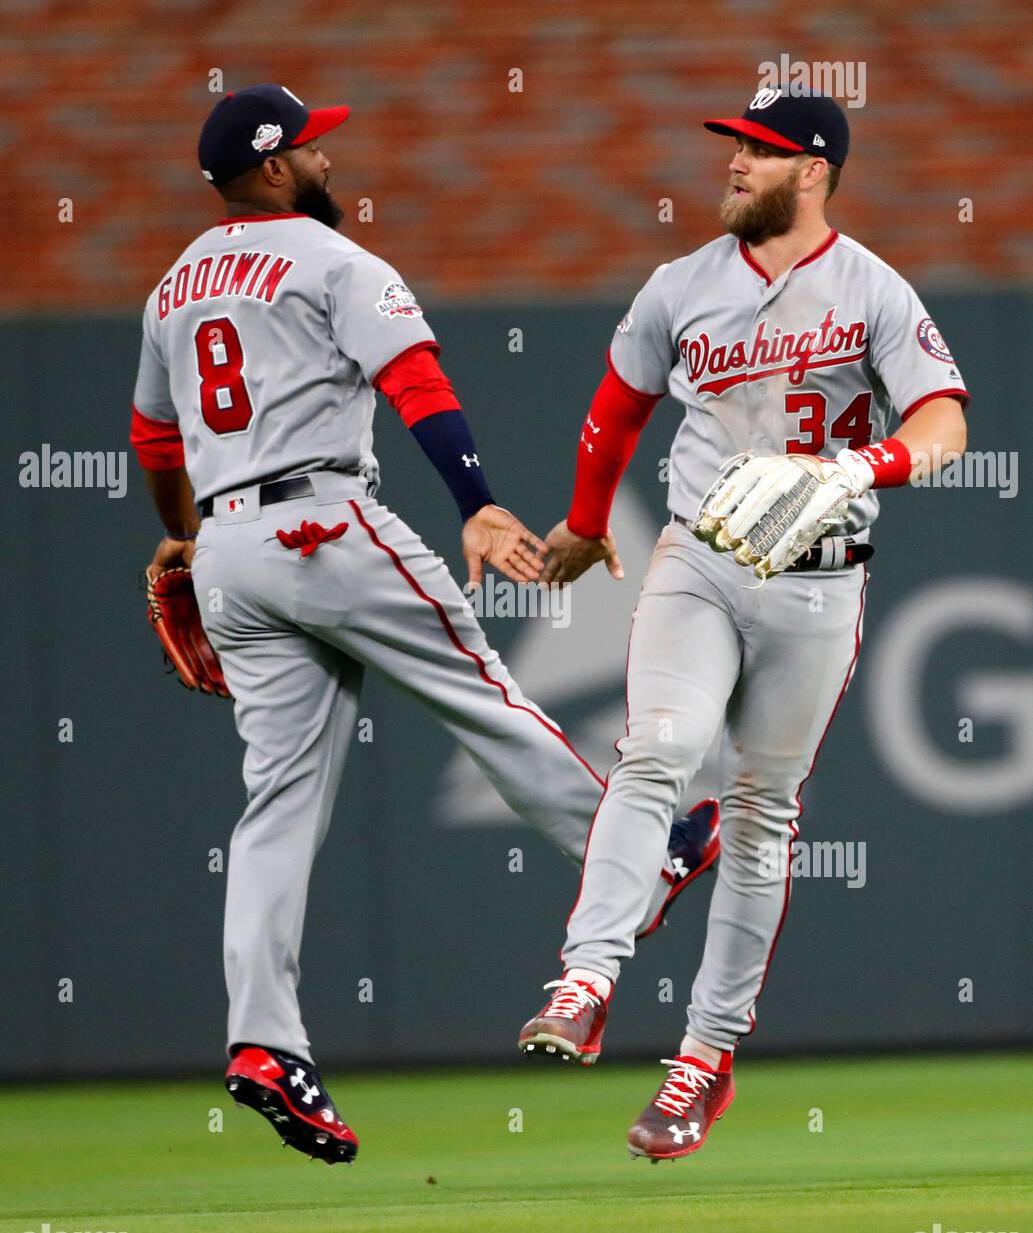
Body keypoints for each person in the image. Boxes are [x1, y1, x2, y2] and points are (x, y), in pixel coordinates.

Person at [130, 84, 718, 1164]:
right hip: (323, 523)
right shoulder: (334, 261)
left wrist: (184, 540)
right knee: (479, 692)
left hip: (230, 554)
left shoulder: (172, 290)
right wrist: (475, 502)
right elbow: (415, 381)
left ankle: (265, 1041)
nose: (325, 163)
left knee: (275, 807)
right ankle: (650, 854)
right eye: (309, 150)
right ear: (269, 170)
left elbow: (158, 445)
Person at [518, 87, 969, 1160]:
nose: (733, 165)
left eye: (758, 153)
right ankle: (586, 978)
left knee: (762, 810)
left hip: (819, 579)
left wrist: (860, 464)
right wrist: (586, 523)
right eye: (733, 147)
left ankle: (701, 1063)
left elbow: (946, 422)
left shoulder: (870, 289)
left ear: (811, 172)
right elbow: (617, 405)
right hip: (700, 556)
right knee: (658, 752)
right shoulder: (682, 285)